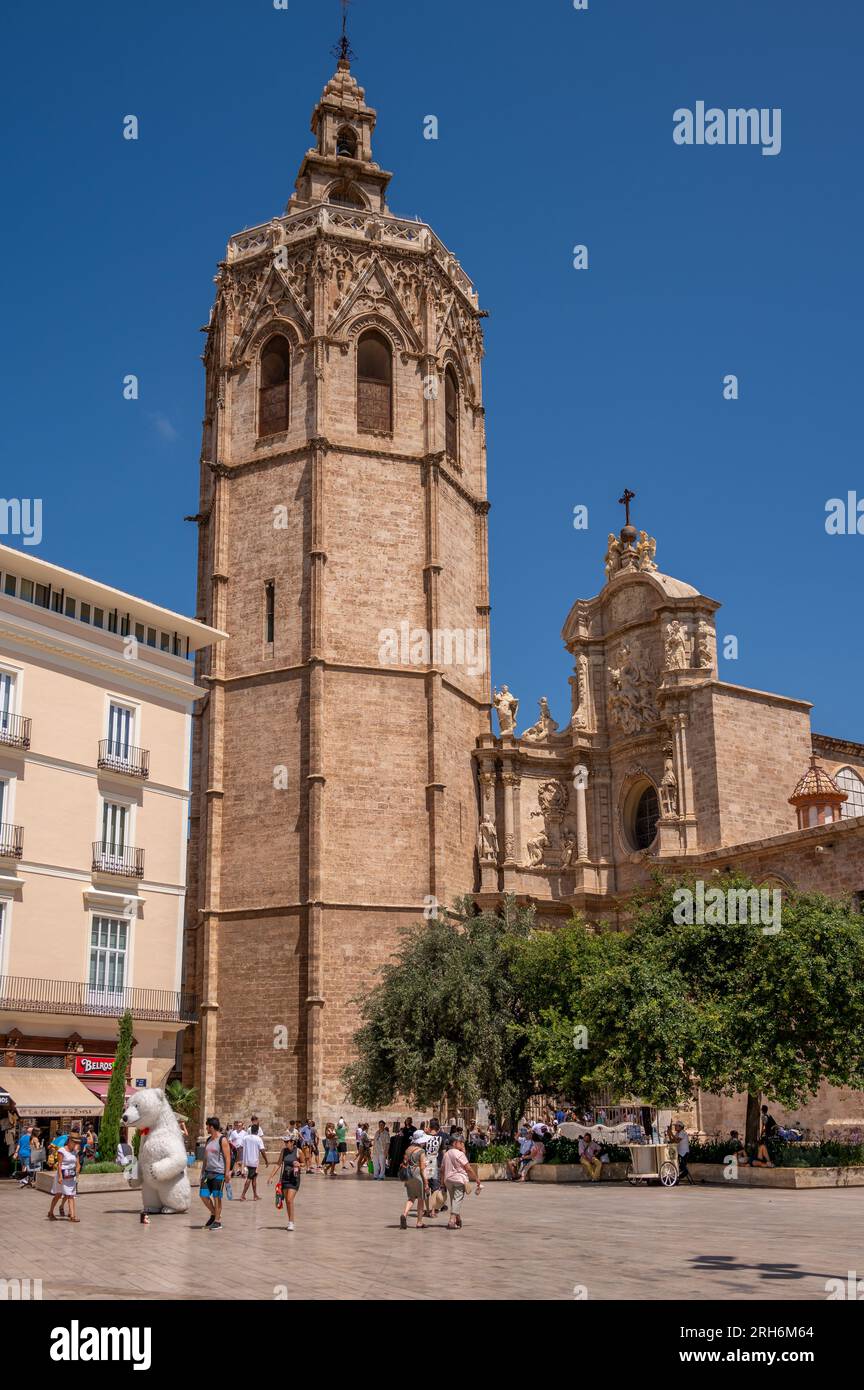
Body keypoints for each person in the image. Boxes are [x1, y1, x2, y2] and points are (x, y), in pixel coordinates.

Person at [199, 1117, 233, 1230]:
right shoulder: (209, 1140)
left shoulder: (222, 1139)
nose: (206, 1128)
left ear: (211, 1127)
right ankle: (214, 1214)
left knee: (217, 1197)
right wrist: (202, 1172)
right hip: (208, 1173)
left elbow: (227, 1157)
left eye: (207, 1126)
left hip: (219, 1173)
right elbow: (205, 1158)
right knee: (203, 1195)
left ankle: (217, 1221)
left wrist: (227, 1173)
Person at [442, 1135, 481, 1229]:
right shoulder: (459, 1154)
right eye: (461, 1142)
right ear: (455, 1143)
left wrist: (442, 1184)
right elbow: (468, 1168)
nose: (463, 1144)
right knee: (457, 1200)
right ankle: (452, 1220)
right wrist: (476, 1179)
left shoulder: (446, 1154)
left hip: (448, 1180)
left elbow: (442, 1170)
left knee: (454, 1200)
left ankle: (458, 1219)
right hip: (459, 1180)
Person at [268, 1132, 302, 1229]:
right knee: (287, 1201)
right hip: (285, 1178)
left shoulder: (298, 1151)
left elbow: (305, 1163)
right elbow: (278, 1164)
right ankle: (290, 1220)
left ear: (292, 1142)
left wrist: (300, 1165)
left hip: (294, 1178)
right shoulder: (283, 1151)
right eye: (285, 1141)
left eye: (287, 1141)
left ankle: (291, 1223)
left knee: (289, 1199)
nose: (285, 1143)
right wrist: (271, 1177)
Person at [48, 1132, 81, 1223]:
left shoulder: (75, 1152)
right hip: (62, 1176)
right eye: (75, 1142)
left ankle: (73, 1216)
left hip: (71, 1177)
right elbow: (59, 1165)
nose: (76, 1144)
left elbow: (78, 1165)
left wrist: (77, 1172)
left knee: (71, 1195)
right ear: (70, 1141)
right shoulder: (62, 1150)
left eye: (77, 1142)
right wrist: (60, 1177)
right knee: (58, 1195)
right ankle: (51, 1212)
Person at [399, 1130, 429, 1229]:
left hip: (408, 1175)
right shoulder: (421, 1151)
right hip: (417, 1175)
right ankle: (419, 1222)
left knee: (411, 1198)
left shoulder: (408, 1149)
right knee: (421, 1199)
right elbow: (423, 1168)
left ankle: (404, 1214)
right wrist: (426, 1183)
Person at [423, 1117, 449, 1215]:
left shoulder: (425, 1138)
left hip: (425, 1164)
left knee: (426, 1188)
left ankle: (427, 1210)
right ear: (438, 1129)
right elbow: (443, 1153)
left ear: (430, 1128)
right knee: (434, 1189)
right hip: (435, 1165)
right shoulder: (440, 1138)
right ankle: (433, 1211)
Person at [240, 1123, 268, 1200]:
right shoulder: (258, 1139)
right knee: (249, 1178)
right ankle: (243, 1195)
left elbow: (240, 1147)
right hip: (254, 1161)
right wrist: (266, 1160)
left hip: (247, 1161)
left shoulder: (245, 1138)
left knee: (254, 1178)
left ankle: (255, 1195)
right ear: (257, 1131)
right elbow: (262, 1150)